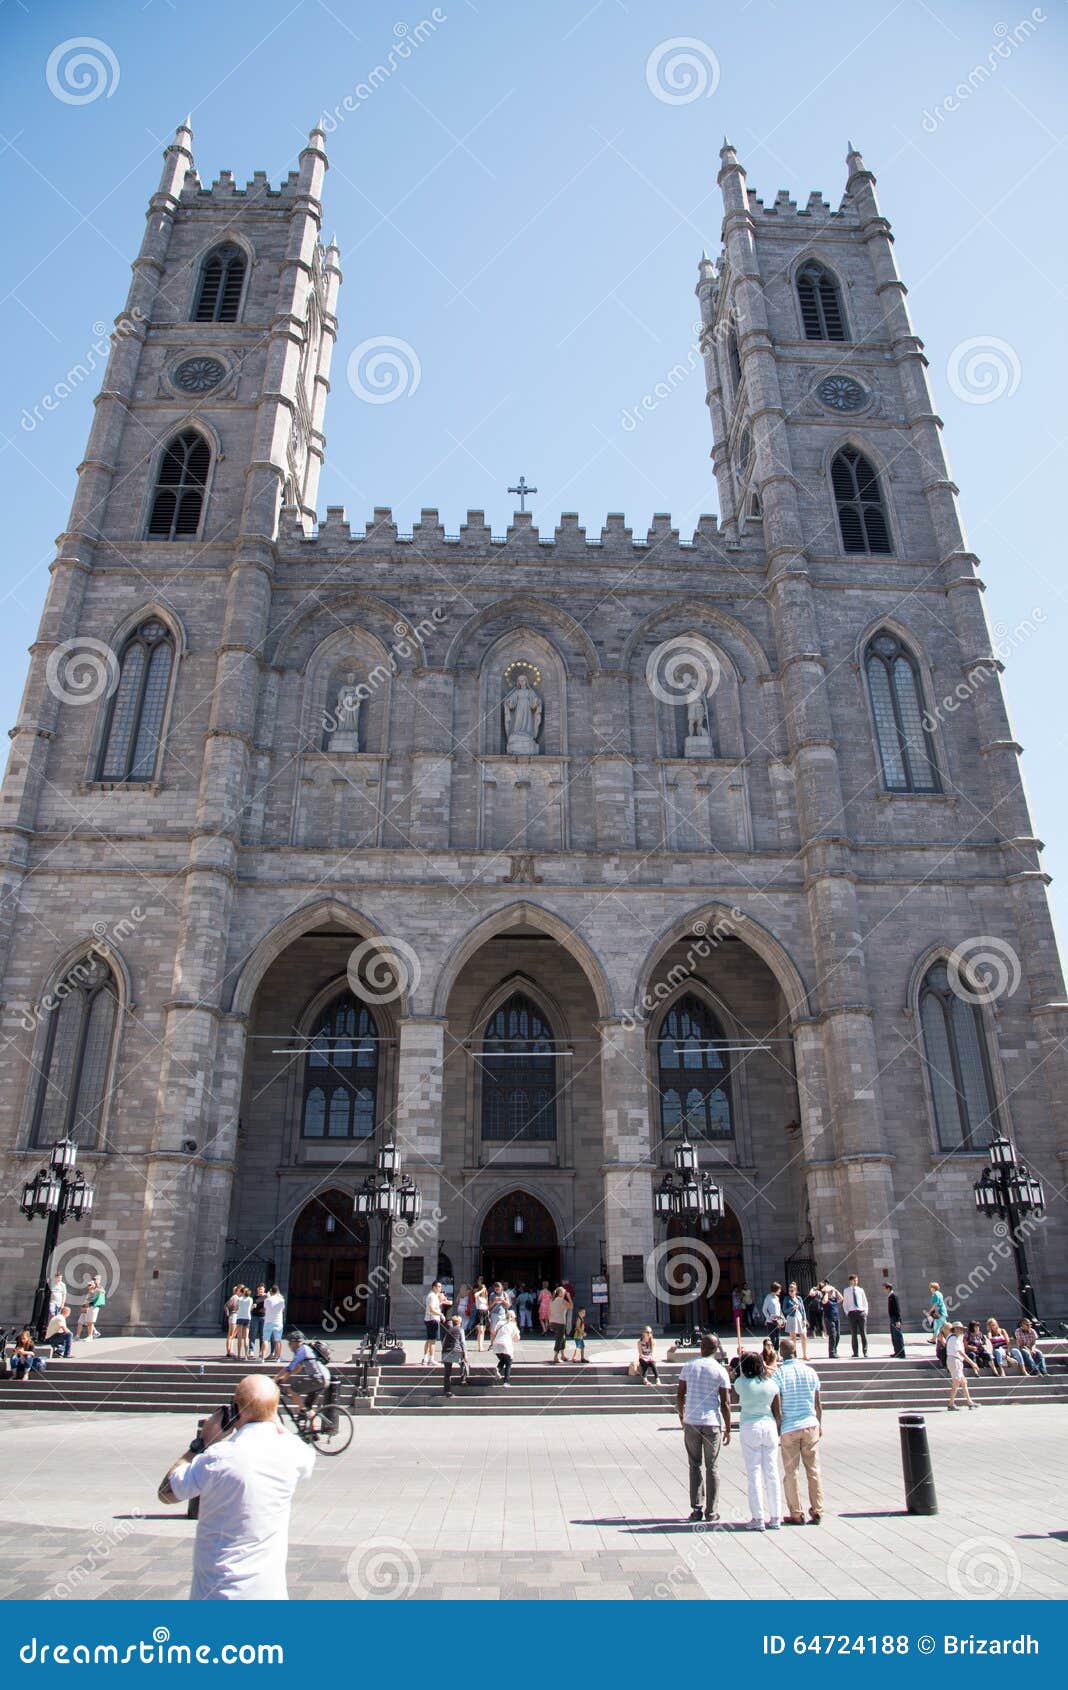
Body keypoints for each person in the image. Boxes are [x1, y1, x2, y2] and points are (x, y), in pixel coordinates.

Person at [159, 1374, 315, 1600]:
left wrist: (201, 1443)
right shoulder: (294, 1453)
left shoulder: (216, 1456)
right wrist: (273, 1418)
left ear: (235, 1410)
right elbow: (303, 1451)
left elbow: (167, 1493)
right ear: (274, 1410)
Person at [676, 1333, 732, 1523]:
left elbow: (680, 1394)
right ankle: (711, 1511)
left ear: (701, 1348)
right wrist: (728, 1427)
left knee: (694, 1465)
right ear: (716, 1350)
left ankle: (696, 1509)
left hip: (691, 1421)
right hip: (712, 1423)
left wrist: (682, 1416)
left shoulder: (689, 1367)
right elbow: (725, 1402)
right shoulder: (720, 1370)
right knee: (712, 1467)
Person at [732, 1351, 783, 1531]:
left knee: (753, 1472)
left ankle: (758, 1517)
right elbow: (778, 1412)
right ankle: (776, 1516)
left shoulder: (740, 1383)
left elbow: (733, 1399)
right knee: (772, 1472)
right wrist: (778, 1431)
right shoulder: (771, 1384)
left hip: (749, 1425)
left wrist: (738, 1374)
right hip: (768, 1426)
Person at [775, 1337, 824, 1526]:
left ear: (781, 1354)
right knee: (813, 1469)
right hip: (810, 1424)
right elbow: (818, 1404)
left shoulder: (779, 1374)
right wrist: (819, 1424)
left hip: (790, 1427)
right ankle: (818, 1510)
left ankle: (796, 1513)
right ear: (796, 1352)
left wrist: (779, 1426)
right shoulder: (810, 1372)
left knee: (791, 1471)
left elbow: (777, 1405)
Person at [276, 1330, 331, 1423]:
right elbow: (297, 1368)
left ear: (295, 1343)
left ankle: (303, 1412)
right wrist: (282, 1377)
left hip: (318, 1378)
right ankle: (312, 1432)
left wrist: (279, 1379)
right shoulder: (306, 1349)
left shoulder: (302, 1350)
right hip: (324, 1378)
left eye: (290, 1343)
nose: (289, 1346)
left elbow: (291, 1366)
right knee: (307, 1407)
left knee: (292, 1390)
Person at [946, 1322, 979, 1410]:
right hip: (954, 1360)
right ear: (955, 1329)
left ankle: (969, 1402)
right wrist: (972, 1363)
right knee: (956, 1382)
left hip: (956, 1360)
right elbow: (961, 1352)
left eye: (961, 1329)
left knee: (963, 1382)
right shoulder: (954, 1339)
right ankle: (951, 1403)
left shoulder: (954, 1338)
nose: (960, 1330)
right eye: (958, 1328)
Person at [422, 1280, 450, 1365]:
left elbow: (435, 1306)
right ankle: (432, 1359)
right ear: (434, 1287)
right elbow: (432, 1309)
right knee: (433, 1341)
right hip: (432, 1319)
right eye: (439, 1287)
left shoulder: (433, 1296)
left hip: (430, 1319)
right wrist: (441, 1314)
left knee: (429, 1339)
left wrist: (442, 1301)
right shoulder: (432, 1296)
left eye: (441, 1287)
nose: (440, 1288)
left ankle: (425, 1358)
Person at [441, 1314, 467, 1398]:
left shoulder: (449, 1330)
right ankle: (463, 1379)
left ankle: (447, 1391)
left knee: (447, 1373)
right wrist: (465, 1354)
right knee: (464, 1363)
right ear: (460, 1322)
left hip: (446, 1351)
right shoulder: (460, 1329)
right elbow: (462, 1342)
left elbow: (444, 1341)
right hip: (456, 1351)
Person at [842, 1274, 868, 1357]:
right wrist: (847, 1312)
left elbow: (865, 1301)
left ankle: (865, 1351)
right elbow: (845, 1303)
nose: (856, 1282)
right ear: (850, 1281)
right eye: (854, 1280)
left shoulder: (861, 1290)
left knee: (863, 1333)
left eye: (857, 1280)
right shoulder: (846, 1291)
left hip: (861, 1312)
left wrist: (865, 1312)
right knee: (854, 1334)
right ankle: (855, 1352)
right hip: (852, 1313)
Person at [492, 1308, 520, 1385]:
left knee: (503, 1360)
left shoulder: (500, 1322)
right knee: (508, 1363)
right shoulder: (513, 1324)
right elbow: (517, 1337)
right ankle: (506, 1381)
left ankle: (498, 1368)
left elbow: (494, 1332)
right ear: (513, 1317)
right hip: (506, 1344)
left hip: (497, 1343)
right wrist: (512, 1338)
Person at [782, 1281, 808, 1359]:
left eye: (792, 1290)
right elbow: (784, 1310)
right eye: (789, 1291)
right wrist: (792, 1308)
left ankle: (804, 1355)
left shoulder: (799, 1298)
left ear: (795, 1291)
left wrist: (805, 1319)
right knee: (793, 1338)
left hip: (799, 1318)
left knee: (804, 1336)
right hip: (791, 1318)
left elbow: (803, 1309)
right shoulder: (786, 1299)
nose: (791, 1292)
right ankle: (794, 1354)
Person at [548, 1284, 572, 1361]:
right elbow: (571, 1306)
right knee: (559, 1338)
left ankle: (562, 1355)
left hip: (553, 1321)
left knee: (563, 1338)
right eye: (564, 1291)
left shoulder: (552, 1300)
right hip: (560, 1322)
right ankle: (556, 1356)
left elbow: (549, 1312)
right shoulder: (562, 1300)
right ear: (561, 1293)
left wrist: (549, 1322)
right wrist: (569, 1298)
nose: (565, 1292)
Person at [262, 1285, 286, 1363]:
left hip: (268, 1321)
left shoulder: (267, 1300)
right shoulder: (281, 1300)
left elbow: (265, 1308)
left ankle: (262, 1357)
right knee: (278, 1340)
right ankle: (278, 1357)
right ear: (278, 1291)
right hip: (278, 1321)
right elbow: (282, 1310)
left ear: (271, 1291)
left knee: (265, 1339)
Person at [762, 1281, 785, 1352]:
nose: (780, 1291)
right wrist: (768, 1318)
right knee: (772, 1338)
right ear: (775, 1289)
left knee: (778, 1337)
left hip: (778, 1320)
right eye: (779, 1289)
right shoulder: (768, 1298)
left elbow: (779, 1309)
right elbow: (764, 1309)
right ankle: (771, 1353)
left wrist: (782, 1318)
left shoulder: (777, 1298)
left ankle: (777, 1353)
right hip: (771, 1321)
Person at [884, 1283, 906, 1358]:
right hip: (892, 1318)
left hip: (895, 1319)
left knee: (898, 1336)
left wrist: (898, 1320)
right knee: (894, 1337)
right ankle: (897, 1352)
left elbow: (897, 1309)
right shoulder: (890, 1296)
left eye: (885, 1288)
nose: (884, 1290)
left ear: (888, 1288)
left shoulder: (894, 1296)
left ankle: (901, 1353)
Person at [821, 1283, 843, 1357]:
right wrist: (827, 1292)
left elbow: (841, 1298)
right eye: (830, 1291)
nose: (831, 1293)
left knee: (838, 1336)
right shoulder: (825, 1299)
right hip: (829, 1319)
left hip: (836, 1318)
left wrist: (835, 1290)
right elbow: (824, 1301)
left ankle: (835, 1350)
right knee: (833, 1335)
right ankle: (831, 1352)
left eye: (831, 1291)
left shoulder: (834, 1299)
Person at [233, 1287, 253, 1360]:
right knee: (246, 1337)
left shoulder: (239, 1299)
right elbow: (250, 1308)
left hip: (240, 1317)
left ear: (242, 1292)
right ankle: (246, 1355)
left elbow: (236, 1308)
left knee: (239, 1337)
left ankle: (238, 1355)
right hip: (247, 1318)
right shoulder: (250, 1299)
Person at [471, 1278, 490, 1351]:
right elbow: (475, 1294)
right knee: (480, 1330)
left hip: (485, 1312)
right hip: (480, 1312)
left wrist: (488, 1313)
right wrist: (482, 1289)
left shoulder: (485, 1298)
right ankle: (480, 1346)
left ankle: (481, 1346)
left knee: (484, 1330)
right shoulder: (478, 1297)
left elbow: (487, 1305)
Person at [249, 1285, 267, 1361]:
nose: (260, 1290)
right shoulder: (253, 1298)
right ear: (257, 1290)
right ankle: (251, 1351)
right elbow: (250, 1308)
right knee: (253, 1334)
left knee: (262, 1335)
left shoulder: (266, 1297)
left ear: (264, 1290)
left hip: (263, 1317)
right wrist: (252, 1306)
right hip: (255, 1317)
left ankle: (261, 1351)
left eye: (262, 1289)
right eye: (259, 1289)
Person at [223, 1285, 241, 1358]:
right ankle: (229, 1351)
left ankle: (231, 1350)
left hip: (237, 1316)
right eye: (240, 1290)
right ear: (237, 1291)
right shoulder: (234, 1297)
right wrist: (228, 1313)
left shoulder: (240, 1298)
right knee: (231, 1334)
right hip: (234, 1315)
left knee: (233, 1335)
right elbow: (226, 1305)